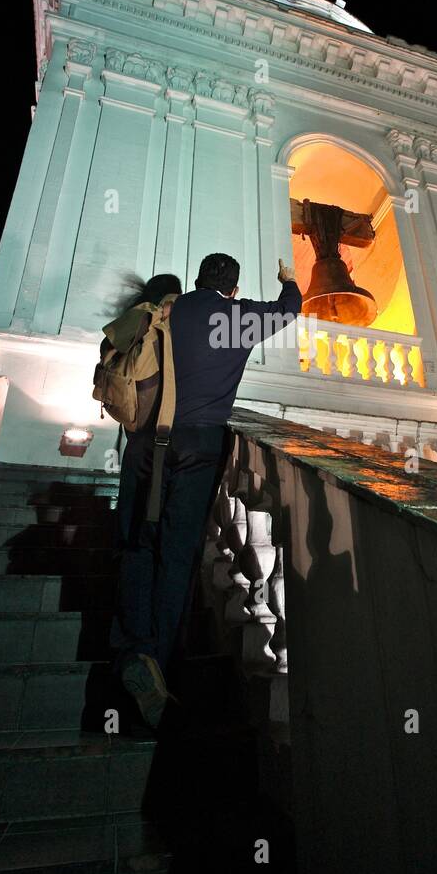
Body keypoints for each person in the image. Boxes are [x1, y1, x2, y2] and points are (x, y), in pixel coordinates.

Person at [112, 253, 302, 728]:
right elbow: (290, 307)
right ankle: (156, 658)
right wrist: (288, 279)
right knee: (177, 552)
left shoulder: (173, 309)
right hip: (198, 444)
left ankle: (131, 641)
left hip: (148, 441)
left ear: (197, 279)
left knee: (138, 543)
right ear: (233, 289)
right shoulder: (238, 319)